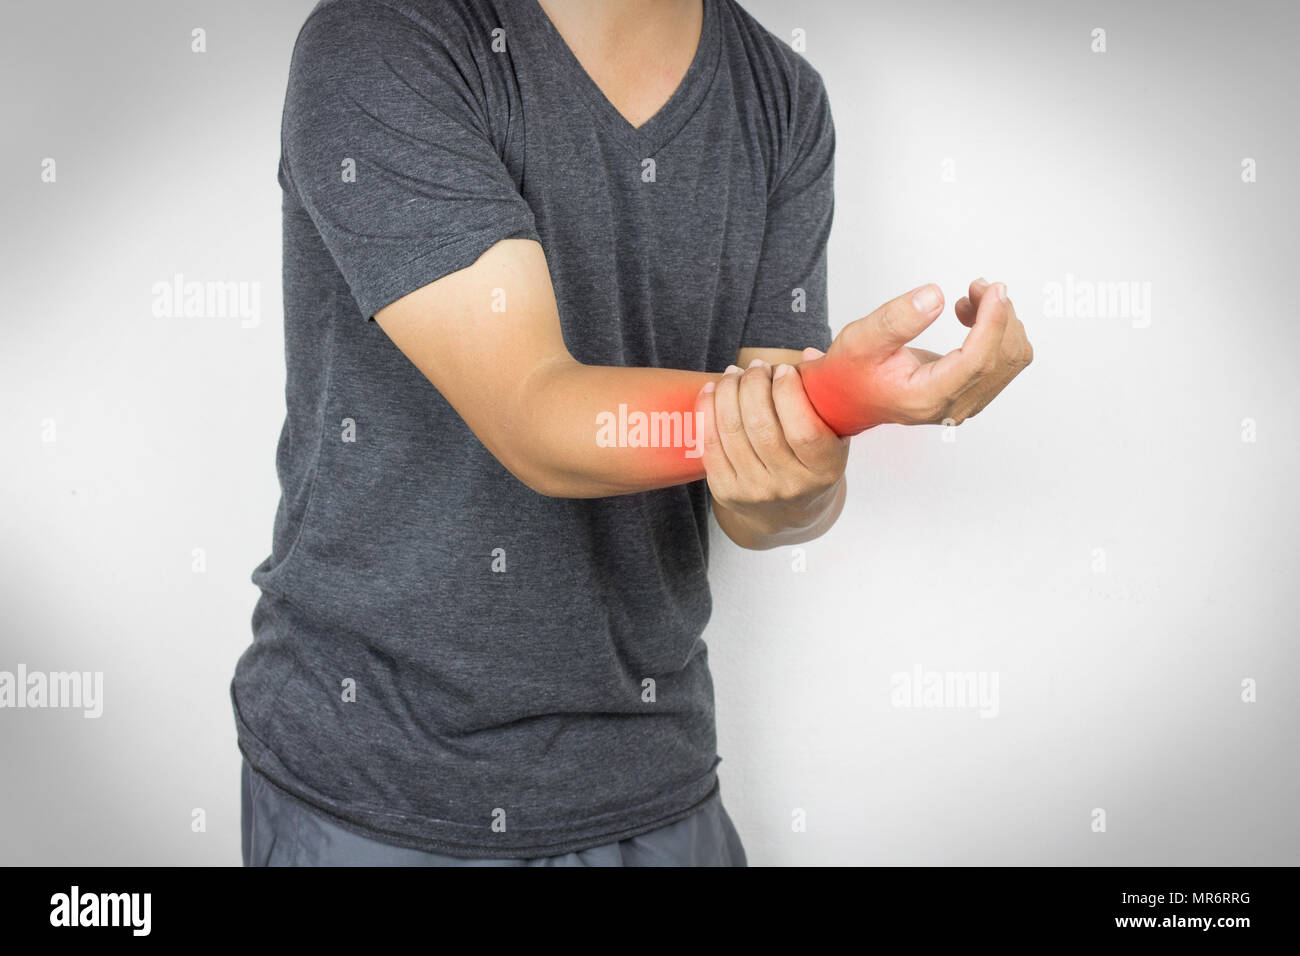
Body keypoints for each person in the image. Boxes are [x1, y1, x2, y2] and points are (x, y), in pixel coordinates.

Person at [231, 0, 1032, 866]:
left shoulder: (785, 99)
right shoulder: (385, 36)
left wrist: (817, 436)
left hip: (656, 781)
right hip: (378, 794)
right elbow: (534, 411)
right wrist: (824, 400)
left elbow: (768, 508)